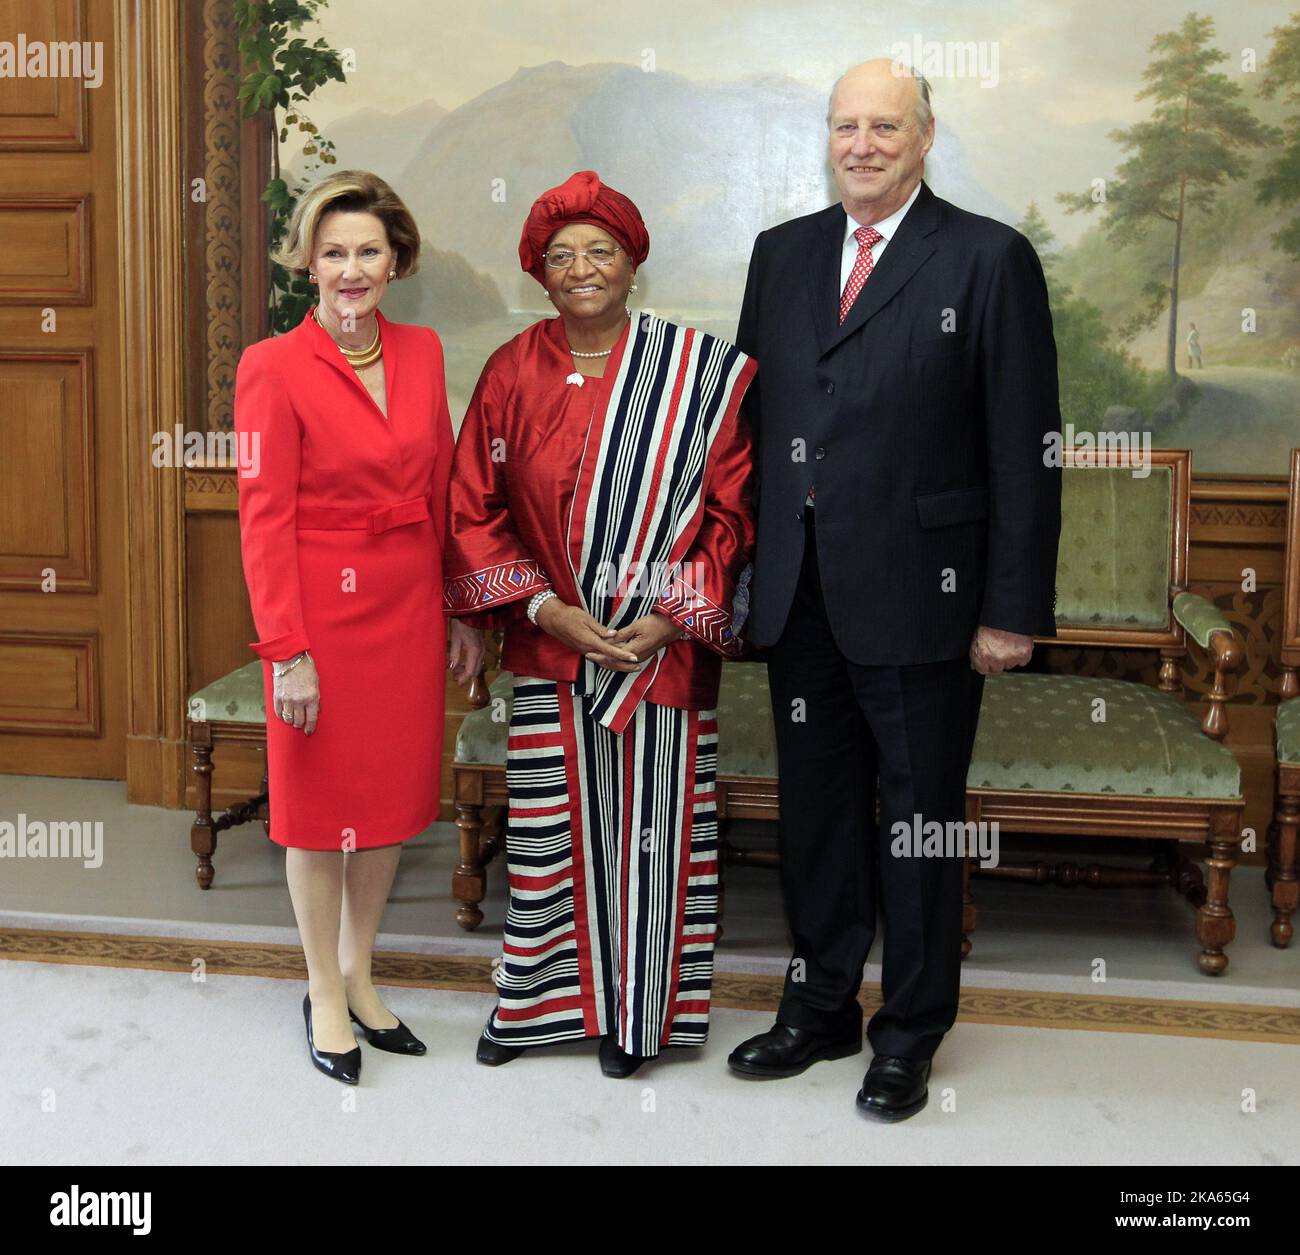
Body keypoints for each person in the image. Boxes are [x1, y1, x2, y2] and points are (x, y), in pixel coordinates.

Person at [730, 60, 1061, 1120]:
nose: (861, 144)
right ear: (825, 139)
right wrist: (729, 567)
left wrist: (1009, 607)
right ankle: (819, 1003)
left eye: (884, 126)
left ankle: (908, 1032)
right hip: (798, 597)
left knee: (919, 826)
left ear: (924, 137)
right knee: (817, 815)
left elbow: (1025, 445)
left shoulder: (986, 259)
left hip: (930, 596)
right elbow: (745, 427)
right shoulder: (780, 256)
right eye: (844, 127)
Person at [443, 170, 756, 1078]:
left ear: (632, 264)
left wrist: (667, 618)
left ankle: (638, 1019)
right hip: (552, 647)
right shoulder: (510, 370)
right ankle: (534, 1003)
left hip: (663, 652)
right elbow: (473, 508)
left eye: (600, 251)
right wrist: (547, 611)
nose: (581, 268)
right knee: (548, 834)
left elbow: (733, 513)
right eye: (561, 255)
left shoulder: (698, 375)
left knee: (653, 835)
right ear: (540, 274)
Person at [234, 169, 483, 1085]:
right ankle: (321, 990)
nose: (350, 268)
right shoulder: (269, 366)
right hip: (316, 618)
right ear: (308, 263)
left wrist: (461, 607)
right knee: (316, 813)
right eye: (332, 252)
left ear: (396, 259)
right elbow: (262, 519)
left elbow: (446, 489)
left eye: (367, 251)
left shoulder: (421, 352)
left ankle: (360, 972)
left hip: (408, 603)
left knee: (384, 806)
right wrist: (287, 652)